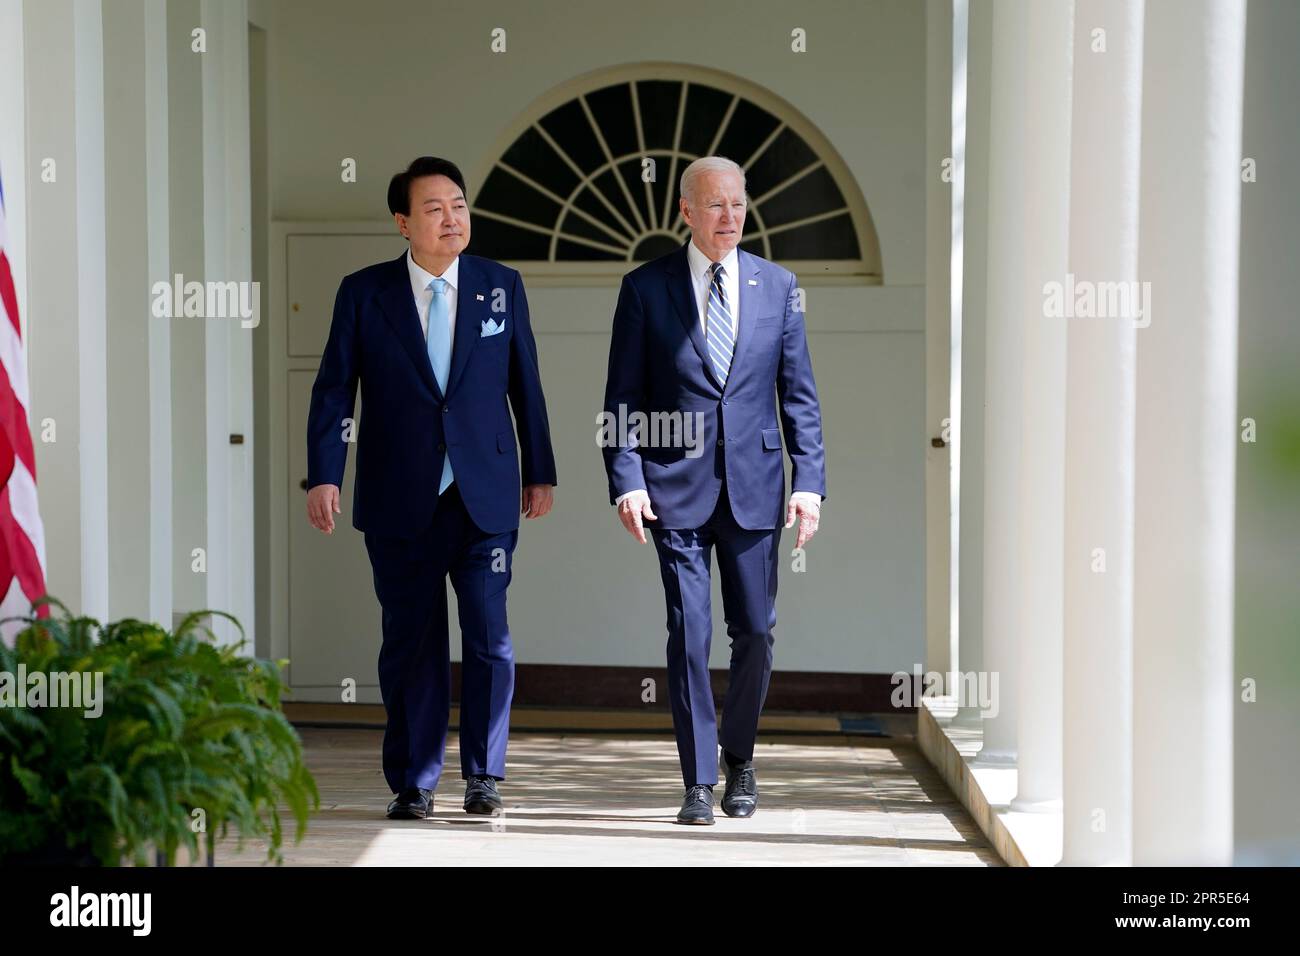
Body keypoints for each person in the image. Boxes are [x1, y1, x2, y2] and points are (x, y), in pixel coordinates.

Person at [306, 156, 556, 820]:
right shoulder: (364, 293)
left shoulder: (500, 285)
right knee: (410, 645)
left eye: (460, 206)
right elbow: (335, 388)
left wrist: (541, 469)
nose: (453, 219)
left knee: (488, 636)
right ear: (403, 222)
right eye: (436, 209)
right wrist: (325, 472)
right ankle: (414, 782)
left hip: (487, 495)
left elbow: (525, 381)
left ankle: (483, 775)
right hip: (399, 496)